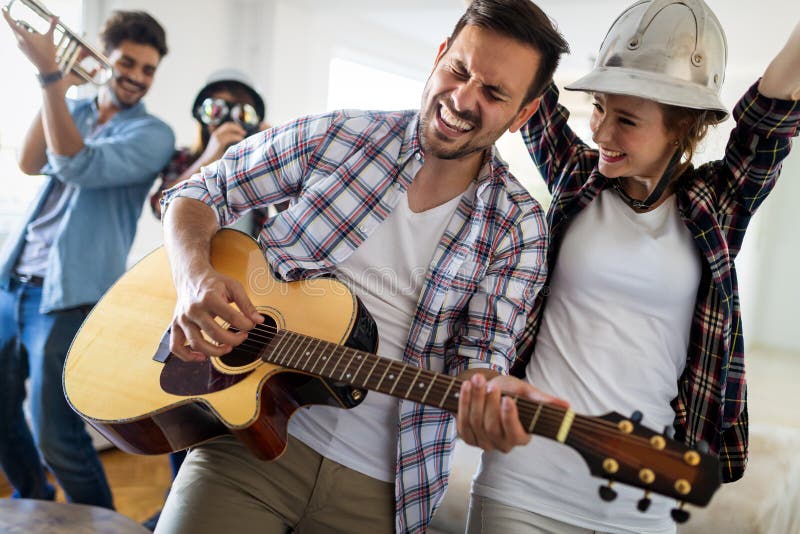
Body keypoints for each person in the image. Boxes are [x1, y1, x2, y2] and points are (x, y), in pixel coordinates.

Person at [156, 0, 569, 532]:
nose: (463, 99)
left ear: (523, 115)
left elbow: (481, 359)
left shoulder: (520, 227)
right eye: (459, 70)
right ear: (440, 56)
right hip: (248, 443)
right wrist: (194, 277)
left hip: (384, 487)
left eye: (494, 93)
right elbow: (198, 190)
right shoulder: (342, 135)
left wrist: (487, 400)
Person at [461, 1, 800, 533]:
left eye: (626, 120)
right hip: (526, 484)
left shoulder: (715, 206)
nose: (600, 132)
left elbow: (772, 114)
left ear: (680, 128)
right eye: (598, 107)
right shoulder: (576, 178)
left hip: (643, 500)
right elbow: (530, 77)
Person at [0, 9, 174, 509]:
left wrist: (51, 77)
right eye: (128, 63)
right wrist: (60, 86)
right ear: (107, 58)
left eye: (148, 70)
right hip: (16, 281)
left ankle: (102, 524)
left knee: (56, 437)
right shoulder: (73, 109)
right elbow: (30, 162)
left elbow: (75, 165)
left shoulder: (153, 135)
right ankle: (32, 498)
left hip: (70, 295)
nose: (137, 78)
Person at [142, 68, 268, 531]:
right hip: (181, 296)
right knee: (181, 404)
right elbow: (164, 207)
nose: (230, 115)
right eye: (217, 106)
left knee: (224, 409)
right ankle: (178, 500)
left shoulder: (259, 171)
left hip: (241, 305)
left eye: (242, 108)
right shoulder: (182, 159)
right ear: (202, 114)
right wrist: (215, 155)